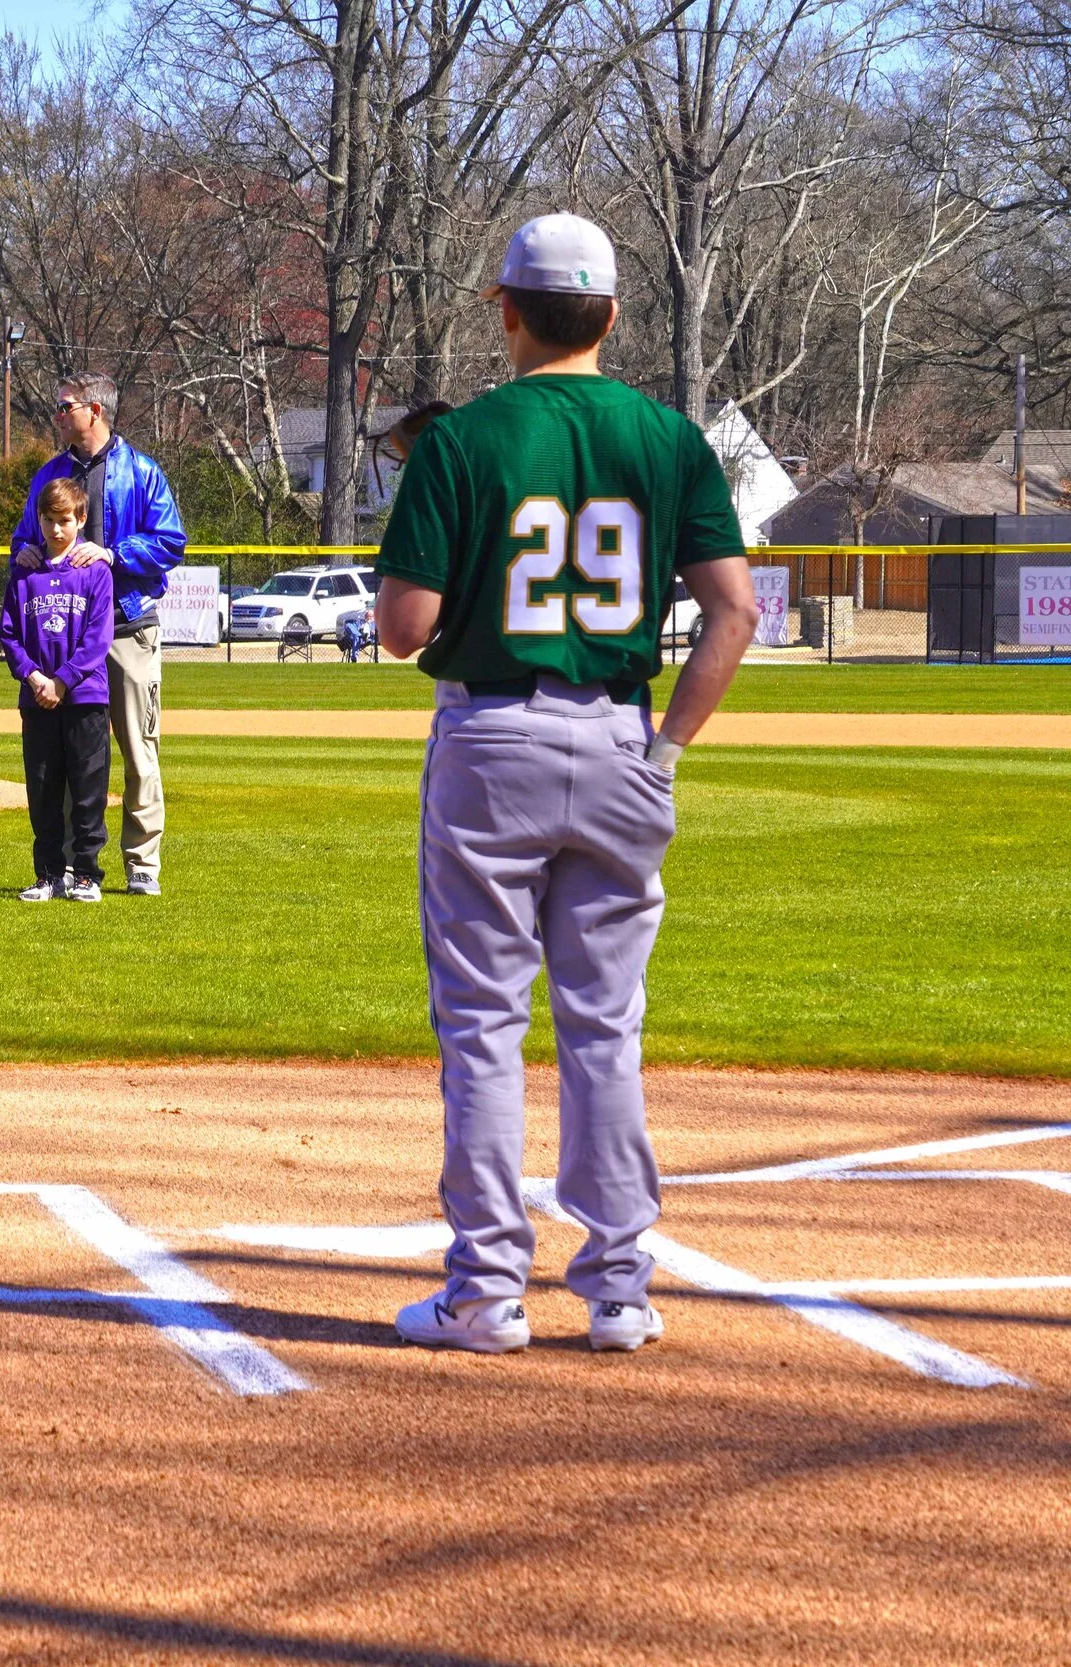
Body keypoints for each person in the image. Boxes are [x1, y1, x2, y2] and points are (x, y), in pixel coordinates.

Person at [373, 212, 758, 1356]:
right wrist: (669, 748)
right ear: (613, 314)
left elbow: (404, 630)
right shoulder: (667, 434)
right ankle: (620, 1289)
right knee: (604, 1028)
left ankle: (486, 1290)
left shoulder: (465, 437)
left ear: (506, 308)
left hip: (494, 740)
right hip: (622, 734)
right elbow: (732, 609)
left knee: (485, 1024)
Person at [7, 373, 184, 895]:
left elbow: (172, 541)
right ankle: (65, 866)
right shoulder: (50, 475)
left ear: (95, 410)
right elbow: (24, 537)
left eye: (66, 406)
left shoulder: (142, 471)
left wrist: (114, 553)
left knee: (137, 747)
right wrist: (27, 550)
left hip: (128, 625)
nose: (58, 414)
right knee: (63, 755)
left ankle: (141, 863)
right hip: (60, 639)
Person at [0, 476, 114, 903]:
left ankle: (86, 873)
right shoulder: (25, 572)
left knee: (87, 789)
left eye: (65, 520)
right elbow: (9, 635)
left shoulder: (95, 572)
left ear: (81, 519)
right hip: (37, 698)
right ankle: (48, 874)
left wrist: (62, 680)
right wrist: (34, 678)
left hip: (84, 697)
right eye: (48, 520)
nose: (56, 529)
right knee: (44, 789)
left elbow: (97, 639)